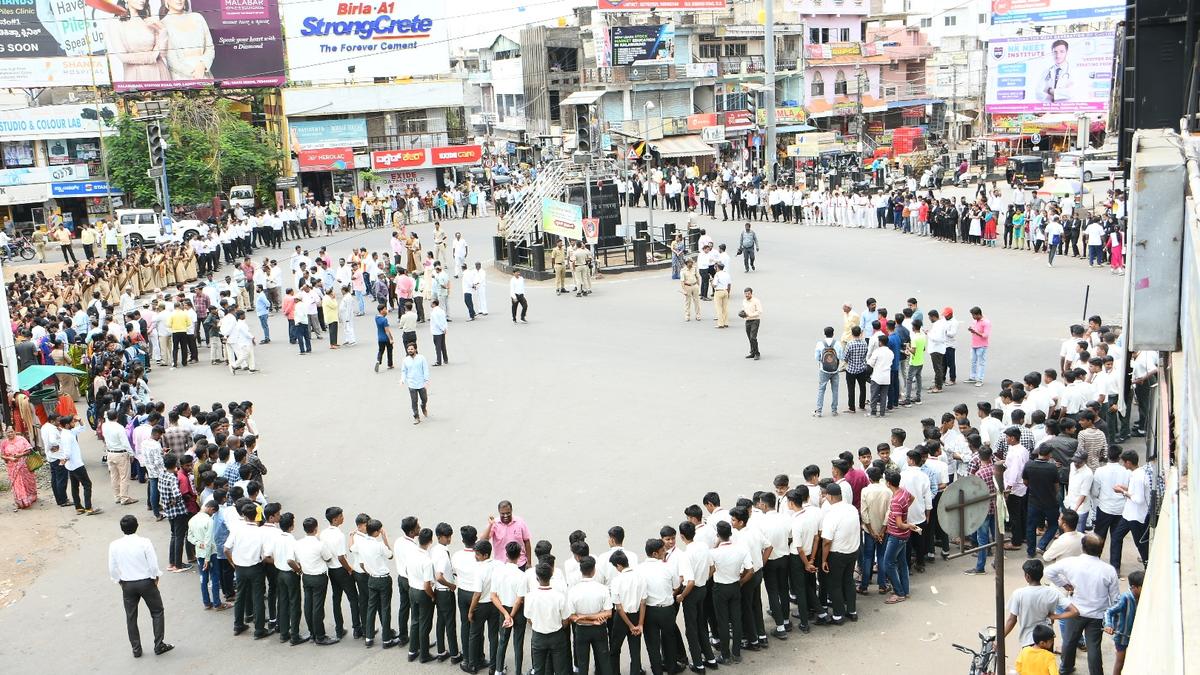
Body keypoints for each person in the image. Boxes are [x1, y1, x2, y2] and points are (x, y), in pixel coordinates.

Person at [1046, 534, 1119, 675]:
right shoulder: (1109, 570)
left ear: (1083, 547)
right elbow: (1115, 598)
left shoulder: (1071, 562)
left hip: (1075, 611)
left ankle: (1065, 669)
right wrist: (1112, 621)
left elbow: (1048, 571)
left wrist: (1064, 584)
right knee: (1094, 647)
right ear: (1101, 549)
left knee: (1069, 642)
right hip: (1098, 614)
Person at [108, 515, 172, 658]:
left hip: (127, 584)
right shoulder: (144, 542)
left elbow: (112, 567)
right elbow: (153, 563)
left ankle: (136, 649)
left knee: (131, 617)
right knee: (157, 612)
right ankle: (159, 644)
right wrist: (155, 577)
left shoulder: (114, 545)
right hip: (146, 582)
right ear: (137, 526)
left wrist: (118, 580)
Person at [1004, 559, 1068, 647]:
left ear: (1027, 576)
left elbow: (1012, 620)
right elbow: (1074, 611)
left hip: (1029, 639)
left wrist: (1000, 638)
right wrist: (1056, 616)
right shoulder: (1053, 592)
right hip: (1047, 639)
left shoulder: (1019, 594)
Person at [526, 561, 571, 675]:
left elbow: (529, 619)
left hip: (538, 636)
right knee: (560, 669)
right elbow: (566, 620)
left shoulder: (530, 596)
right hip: (557, 635)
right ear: (551, 575)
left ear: (537, 577)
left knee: (539, 669)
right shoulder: (559, 597)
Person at [1104, 570, 1142, 675]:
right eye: (1142, 587)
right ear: (1134, 587)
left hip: (1133, 635)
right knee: (1120, 662)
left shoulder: (1140, 597)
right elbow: (1109, 612)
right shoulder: (1125, 598)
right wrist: (1108, 625)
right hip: (1122, 636)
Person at [1, 426, 38, 510]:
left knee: (28, 482)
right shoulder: (4, 443)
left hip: (24, 465)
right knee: (17, 483)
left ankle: (31, 497)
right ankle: (22, 501)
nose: (10, 434)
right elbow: (2, 455)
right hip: (12, 467)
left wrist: (20, 455)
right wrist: (10, 458)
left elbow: (30, 450)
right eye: (8, 432)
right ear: (5, 433)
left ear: (15, 431)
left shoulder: (21, 439)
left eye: (11, 431)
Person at [814, 326, 843, 417]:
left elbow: (817, 357)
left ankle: (819, 411)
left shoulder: (820, 344)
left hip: (824, 370)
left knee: (821, 389)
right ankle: (834, 410)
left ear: (824, 334)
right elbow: (841, 357)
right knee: (835, 390)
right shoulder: (837, 344)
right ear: (833, 333)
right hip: (835, 370)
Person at [401, 343, 430, 425]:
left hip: (421, 383)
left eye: (411, 349)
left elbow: (425, 369)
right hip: (411, 384)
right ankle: (416, 417)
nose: (410, 350)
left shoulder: (421, 358)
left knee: (424, 399)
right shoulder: (405, 360)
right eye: (409, 349)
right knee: (414, 401)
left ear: (415, 349)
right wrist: (402, 380)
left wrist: (426, 380)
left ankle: (423, 407)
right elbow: (404, 371)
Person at [967, 306, 991, 386]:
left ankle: (980, 379)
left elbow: (985, 335)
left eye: (973, 315)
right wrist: (971, 330)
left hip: (982, 346)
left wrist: (976, 332)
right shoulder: (974, 321)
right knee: (973, 361)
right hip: (974, 345)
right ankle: (972, 377)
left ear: (978, 314)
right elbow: (974, 330)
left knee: (981, 363)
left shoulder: (986, 322)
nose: (973, 317)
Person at [740, 287, 762, 360]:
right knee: (750, 337)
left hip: (755, 320)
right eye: (745, 294)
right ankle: (752, 352)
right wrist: (743, 314)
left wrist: (750, 315)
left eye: (748, 294)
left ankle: (757, 353)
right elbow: (745, 310)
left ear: (751, 293)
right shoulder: (744, 301)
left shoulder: (756, 301)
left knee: (753, 337)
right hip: (747, 320)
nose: (747, 295)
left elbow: (759, 311)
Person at [374, 304, 394, 373]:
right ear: (381, 310)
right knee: (389, 350)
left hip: (380, 338)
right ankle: (390, 364)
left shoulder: (376, 318)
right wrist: (391, 339)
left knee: (381, 351)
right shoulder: (384, 320)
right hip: (386, 338)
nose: (386, 310)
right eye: (385, 309)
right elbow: (387, 331)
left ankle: (378, 360)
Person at [430, 299, 449, 365]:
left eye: (431, 303)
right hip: (442, 331)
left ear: (434, 304)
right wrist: (445, 328)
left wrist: (441, 329)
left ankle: (439, 361)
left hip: (436, 331)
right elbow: (444, 320)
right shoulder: (441, 311)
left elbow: (436, 322)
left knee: (437, 347)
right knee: (443, 346)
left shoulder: (433, 312)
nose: (430, 304)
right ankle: (445, 359)